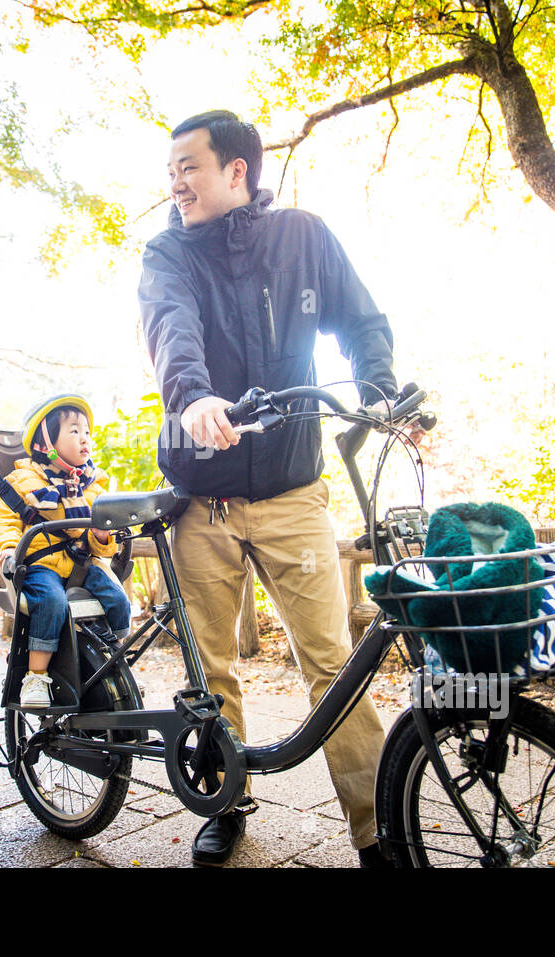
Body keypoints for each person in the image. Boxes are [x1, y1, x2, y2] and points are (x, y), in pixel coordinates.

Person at [138, 109, 397, 868]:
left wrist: (380, 389)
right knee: (210, 666)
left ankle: (377, 827)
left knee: (333, 662)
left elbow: (361, 318)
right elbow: (169, 328)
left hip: (292, 492)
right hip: (202, 500)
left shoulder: (304, 237)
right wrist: (192, 397)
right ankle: (225, 796)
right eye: (171, 170)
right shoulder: (167, 252)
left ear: (237, 170)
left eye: (189, 166)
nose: (176, 182)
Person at [0, 395, 131, 708]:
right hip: (42, 563)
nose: (85, 438)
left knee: (118, 597)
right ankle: (36, 676)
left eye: (87, 432)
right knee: (51, 603)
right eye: (74, 431)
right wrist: (9, 547)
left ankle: (117, 661)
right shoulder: (22, 479)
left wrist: (101, 537)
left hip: (82, 562)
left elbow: (101, 548)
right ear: (46, 441)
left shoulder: (94, 485)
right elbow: (5, 518)